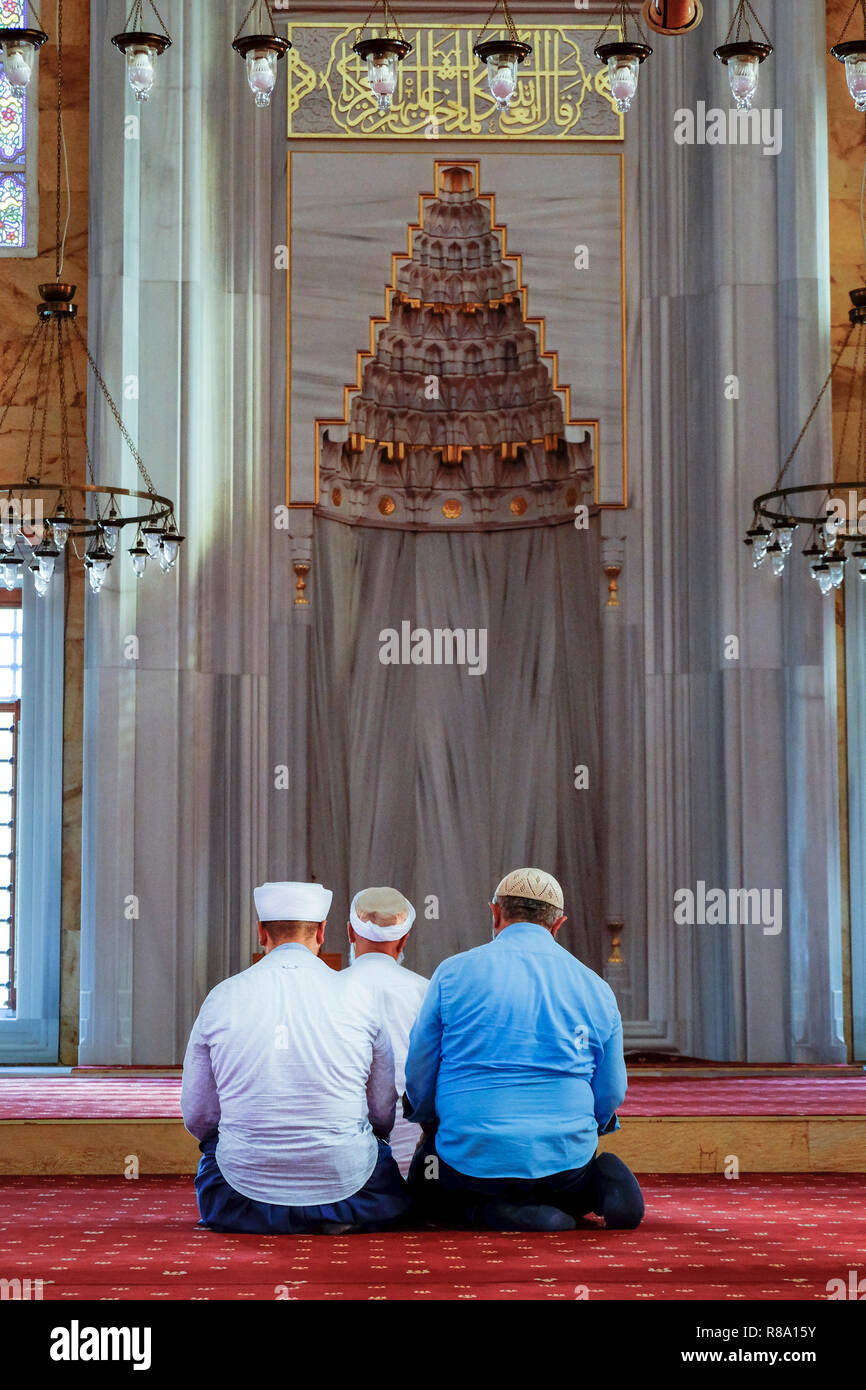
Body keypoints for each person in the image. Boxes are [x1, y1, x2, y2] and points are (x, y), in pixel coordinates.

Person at [404, 867, 644, 1233]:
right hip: (566, 1163)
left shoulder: (452, 973)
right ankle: (592, 1189)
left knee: (429, 1187)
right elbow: (612, 1092)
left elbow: (419, 1073)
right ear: (558, 924)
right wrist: (580, 1128)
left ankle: (492, 1213)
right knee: (578, 1173)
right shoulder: (595, 987)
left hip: (472, 1163)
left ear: (495, 912)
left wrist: (430, 1121)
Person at [181, 880, 412, 1235]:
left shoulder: (222, 997)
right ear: (322, 933)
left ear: (261, 933)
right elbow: (382, 1113)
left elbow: (198, 1116)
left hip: (240, 1198)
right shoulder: (358, 996)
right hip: (351, 1193)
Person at [343, 885, 429, 1177]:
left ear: (351, 934)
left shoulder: (327, 990)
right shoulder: (426, 992)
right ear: (403, 940)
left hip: (343, 1164)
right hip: (414, 1162)